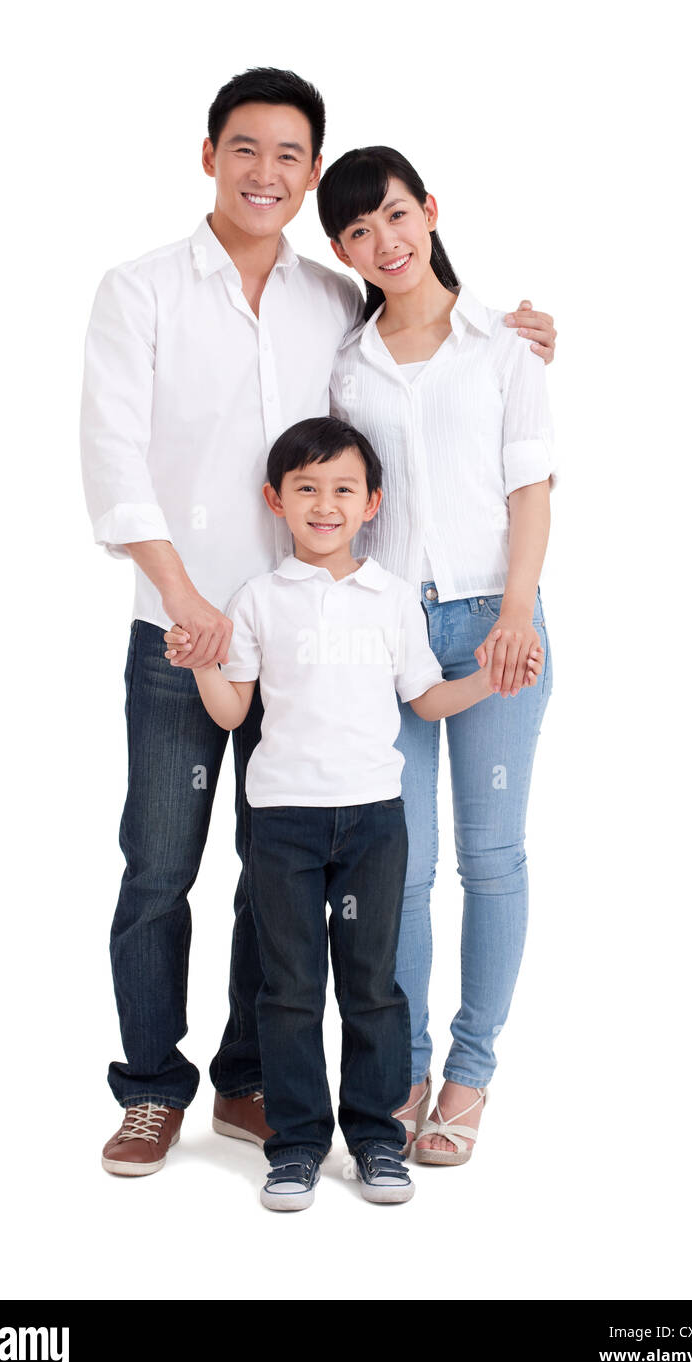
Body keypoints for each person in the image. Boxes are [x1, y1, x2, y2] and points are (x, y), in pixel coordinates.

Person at [80, 65, 558, 1176]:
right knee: (159, 864)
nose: (266, 172)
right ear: (210, 156)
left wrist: (516, 326)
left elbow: (438, 340)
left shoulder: (330, 299)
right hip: (188, 629)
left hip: (326, 644)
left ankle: (259, 1080)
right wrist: (188, 603)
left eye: (289, 156)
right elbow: (110, 460)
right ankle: (154, 1087)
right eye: (246, 148)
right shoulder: (141, 289)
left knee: (285, 866)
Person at [163, 417, 540, 1208]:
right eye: (306, 489)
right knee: (290, 988)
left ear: (373, 503)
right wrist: (202, 664)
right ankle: (296, 1146)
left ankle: (374, 1139)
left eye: (343, 489)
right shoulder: (259, 598)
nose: (324, 505)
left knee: (372, 987)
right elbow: (233, 712)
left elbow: (426, 698)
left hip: (373, 820)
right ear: (276, 501)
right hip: (283, 824)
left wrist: (488, 683)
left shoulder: (393, 599)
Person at [317, 145, 556, 1165]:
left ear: (429, 210)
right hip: (386, 639)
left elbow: (529, 490)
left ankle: (470, 1073)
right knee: (398, 865)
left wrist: (512, 614)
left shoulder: (503, 344)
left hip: (493, 624)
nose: (386, 242)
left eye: (396, 214)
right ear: (342, 250)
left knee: (491, 857)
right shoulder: (345, 361)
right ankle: (404, 1068)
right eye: (359, 231)